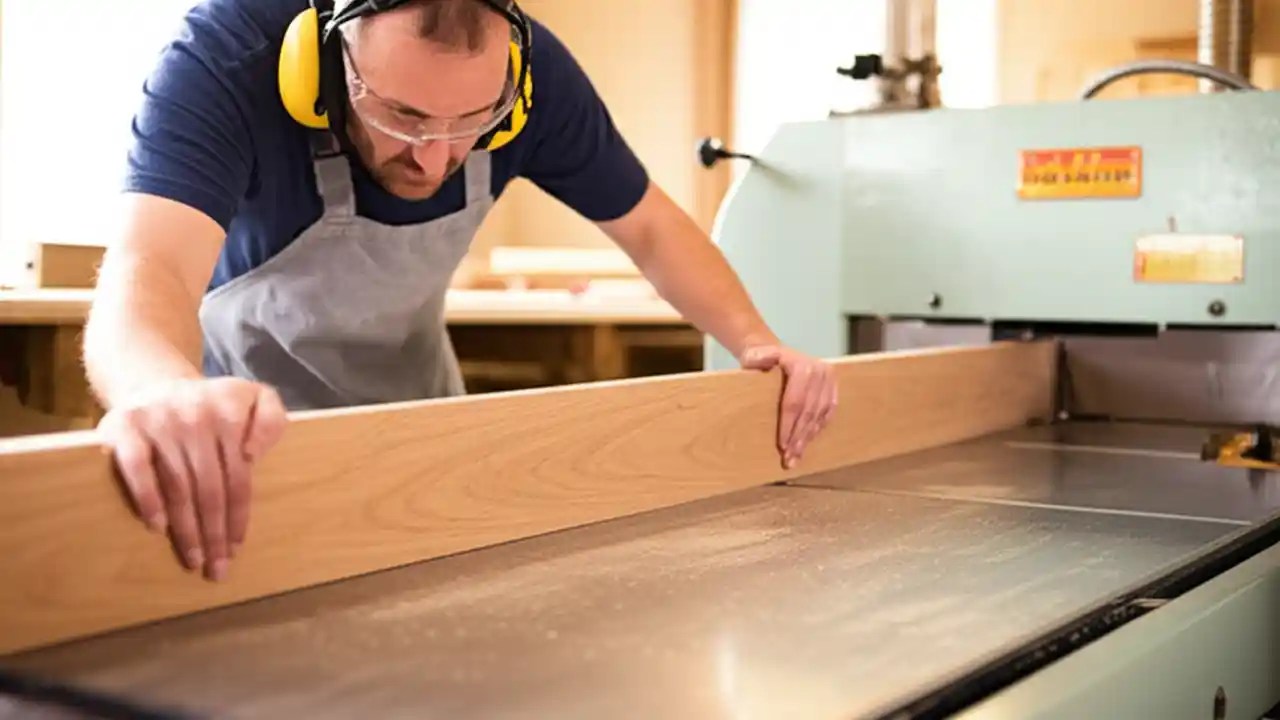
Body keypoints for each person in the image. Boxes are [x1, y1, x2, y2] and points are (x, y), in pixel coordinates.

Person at [84, 0, 838, 582]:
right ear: (324, 65)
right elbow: (150, 268)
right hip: (237, 460)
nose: (437, 158)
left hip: (422, 444)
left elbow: (649, 227)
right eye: (401, 116)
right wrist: (159, 392)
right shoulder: (227, 56)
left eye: (475, 120)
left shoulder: (539, 78)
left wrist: (756, 343)